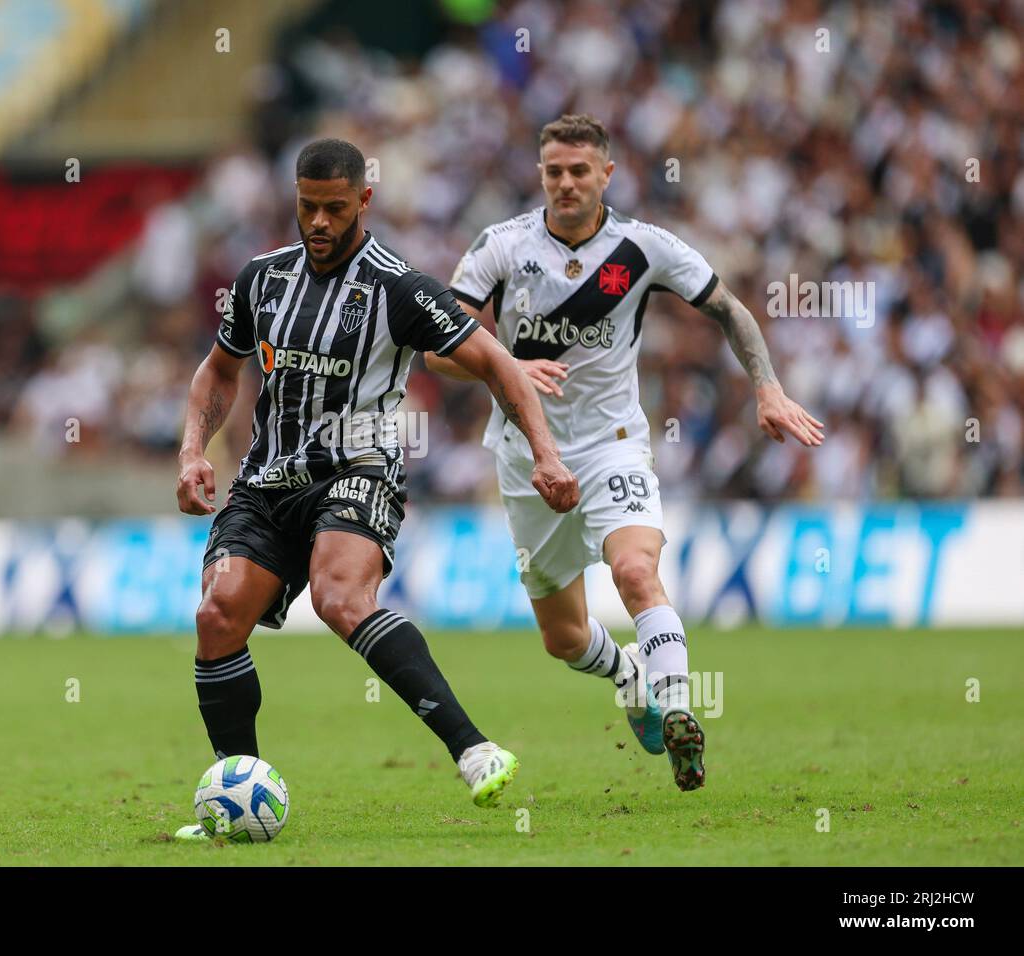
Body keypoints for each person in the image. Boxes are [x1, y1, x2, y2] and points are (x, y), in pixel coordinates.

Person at [173, 138, 579, 837]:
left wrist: (547, 455)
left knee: (340, 599)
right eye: (307, 208)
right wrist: (191, 452)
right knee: (216, 618)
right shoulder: (261, 278)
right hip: (269, 481)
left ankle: (474, 749)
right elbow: (218, 370)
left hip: (357, 471)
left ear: (364, 200)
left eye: (335, 208)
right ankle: (239, 797)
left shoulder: (400, 288)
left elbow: (499, 365)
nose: (320, 223)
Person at [425, 115, 825, 791]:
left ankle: (677, 711)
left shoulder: (644, 247)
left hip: (614, 448)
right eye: (554, 171)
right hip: (527, 457)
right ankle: (630, 674)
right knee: (564, 637)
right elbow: (440, 350)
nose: (566, 183)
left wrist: (767, 388)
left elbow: (729, 308)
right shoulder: (502, 245)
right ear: (540, 174)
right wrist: (511, 369)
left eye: (580, 171)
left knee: (637, 572)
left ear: (607, 175)